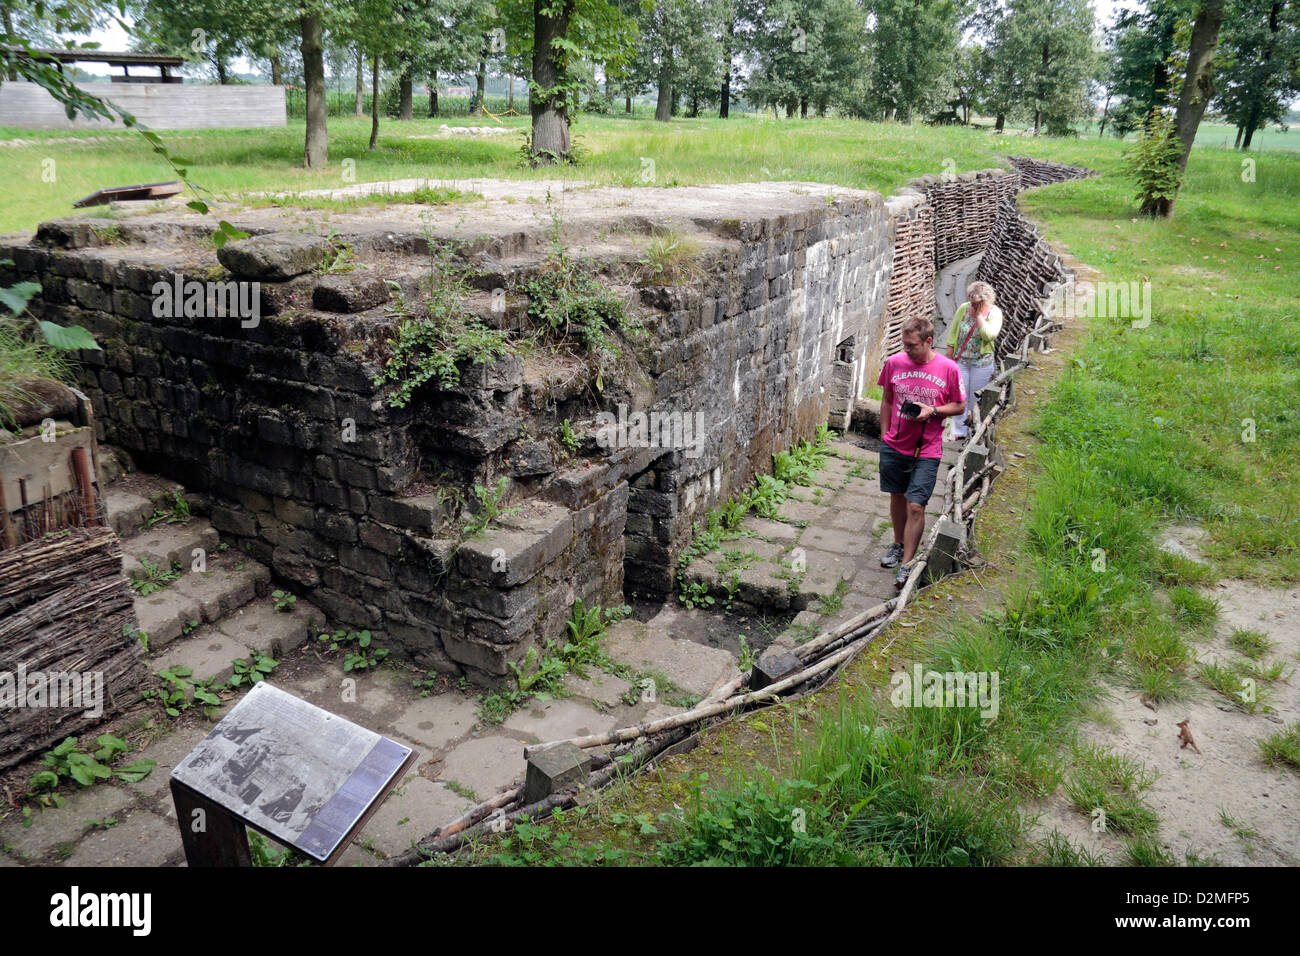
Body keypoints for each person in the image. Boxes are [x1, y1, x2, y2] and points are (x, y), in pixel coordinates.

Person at [877, 316, 966, 589]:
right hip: (895, 444)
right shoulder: (894, 363)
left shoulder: (948, 369)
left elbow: (960, 406)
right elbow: (888, 400)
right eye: (904, 345)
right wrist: (884, 436)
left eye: (912, 346)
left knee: (916, 504)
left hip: (928, 448)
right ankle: (898, 543)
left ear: (929, 341)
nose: (907, 350)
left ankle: (906, 563)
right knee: (897, 497)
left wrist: (934, 411)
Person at [945, 281, 1003, 441]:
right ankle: (957, 430)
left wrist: (979, 316)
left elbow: (989, 335)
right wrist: (949, 355)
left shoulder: (994, 313)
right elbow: (953, 332)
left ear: (985, 301)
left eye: (977, 303)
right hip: (961, 360)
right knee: (959, 395)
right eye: (971, 301)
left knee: (974, 397)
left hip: (981, 363)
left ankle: (970, 425)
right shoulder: (963, 308)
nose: (973, 305)